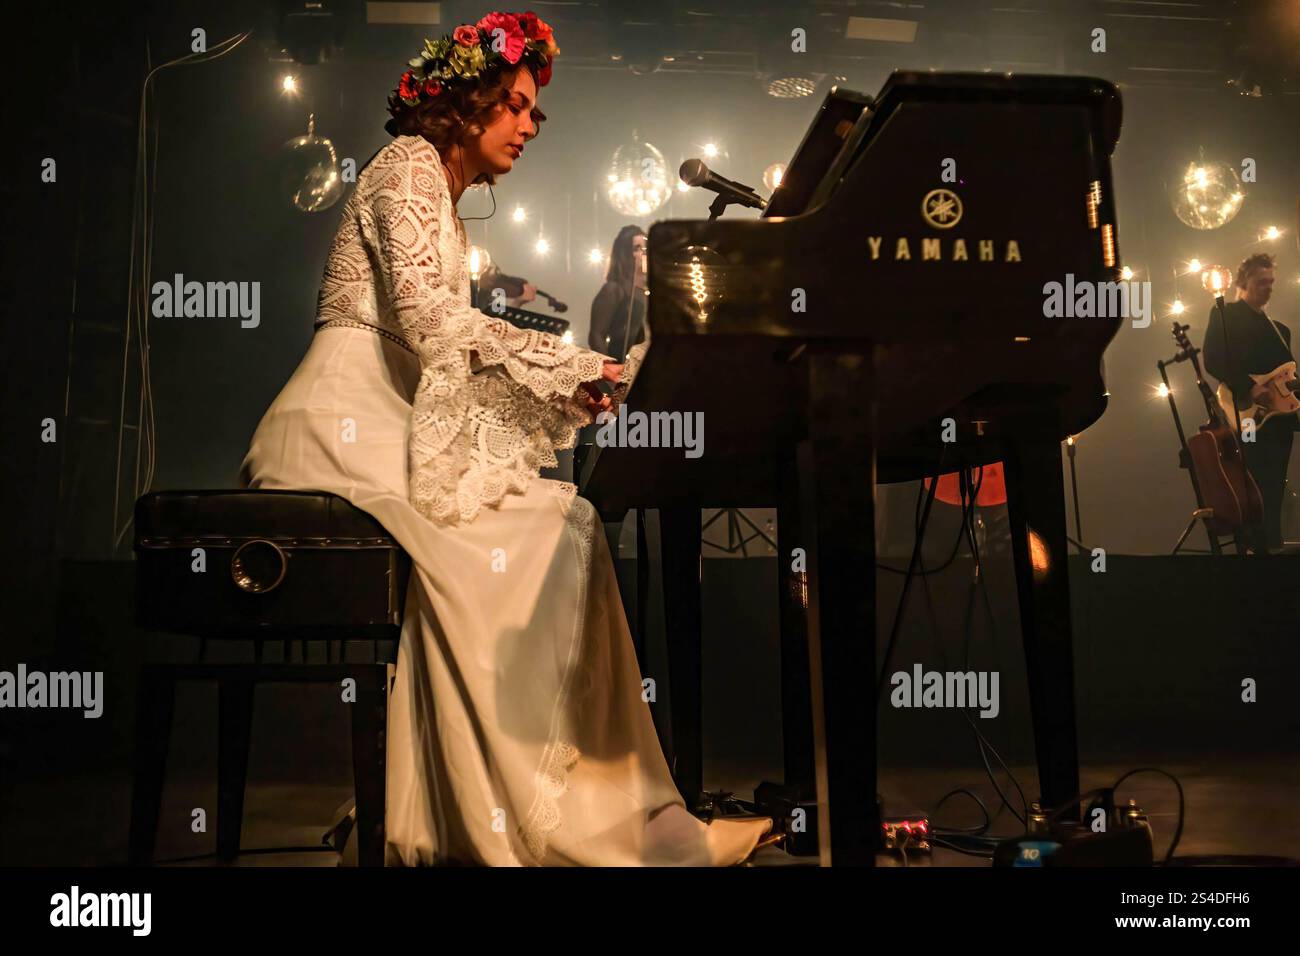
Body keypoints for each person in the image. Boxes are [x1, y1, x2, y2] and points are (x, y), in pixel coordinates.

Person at [238, 11, 773, 865]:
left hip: (386, 412)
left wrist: (574, 378)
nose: (530, 126)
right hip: (336, 423)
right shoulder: (409, 166)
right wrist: (573, 372)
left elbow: (443, 345)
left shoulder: (441, 198)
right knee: (538, 528)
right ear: (468, 102)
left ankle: (608, 809)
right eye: (517, 106)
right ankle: (544, 815)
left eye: (536, 112)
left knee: (564, 522)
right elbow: (433, 323)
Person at [1202, 252, 1295, 553]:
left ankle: (1271, 543)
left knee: (1275, 480)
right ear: (1243, 282)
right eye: (1261, 282)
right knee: (1250, 476)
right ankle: (1251, 546)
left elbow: (1286, 378)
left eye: (1271, 283)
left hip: (1279, 419)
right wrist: (1248, 388)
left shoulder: (1281, 331)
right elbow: (1213, 359)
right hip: (1246, 414)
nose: (1267, 288)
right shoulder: (1225, 315)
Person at [589, 225, 648, 362]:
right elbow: (596, 334)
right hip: (618, 366)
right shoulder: (613, 289)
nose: (643, 252)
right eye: (637, 248)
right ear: (625, 253)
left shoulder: (646, 292)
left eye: (645, 247)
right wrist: (610, 369)